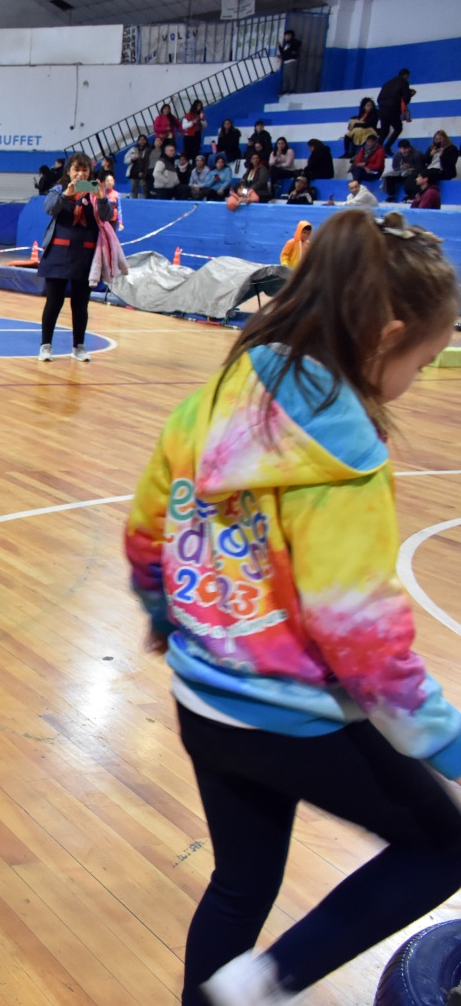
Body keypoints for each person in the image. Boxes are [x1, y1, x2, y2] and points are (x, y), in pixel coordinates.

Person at [123, 208, 461, 1006]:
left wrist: (164, 618)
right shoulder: (343, 462)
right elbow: (364, 643)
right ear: (387, 338)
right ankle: (260, 986)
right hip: (294, 722)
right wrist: (449, 747)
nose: (416, 382)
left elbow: (147, 531)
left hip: (204, 704)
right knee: (444, 849)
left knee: (240, 886)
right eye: (425, 361)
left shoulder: (209, 404)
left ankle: (219, 995)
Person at [36, 154, 114, 364]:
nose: (80, 174)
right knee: (54, 301)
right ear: (68, 171)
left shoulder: (95, 191)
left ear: (90, 173)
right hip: (58, 254)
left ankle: (79, 347)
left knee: (81, 304)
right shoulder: (59, 189)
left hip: (85, 255)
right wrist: (66, 195)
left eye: (85, 171)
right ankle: (45, 346)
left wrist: (102, 197)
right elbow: (49, 209)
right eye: (76, 170)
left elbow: (107, 216)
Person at [377, 68, 415, 148]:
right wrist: (410, 94)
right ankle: (387, 147)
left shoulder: (387, 83)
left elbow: (379, 98)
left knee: (384, 131)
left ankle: (377, 149)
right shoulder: (404, 82)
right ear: (406, 75)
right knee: (398, 128)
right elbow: (406, 97)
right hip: (392, 109)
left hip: (382, 109)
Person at [277, 29, 301, 94]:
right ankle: (284, 90)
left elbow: (297, 45)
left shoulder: (293, 42)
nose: (285, 37)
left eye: (286, 36)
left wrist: (287, 53)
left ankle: (291, 89)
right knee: (285, 77)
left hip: (291, 61)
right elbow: (284, 53)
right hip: (286, 62)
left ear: (290, 35)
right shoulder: (287, 44)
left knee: (291, 76)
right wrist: (279, 46)